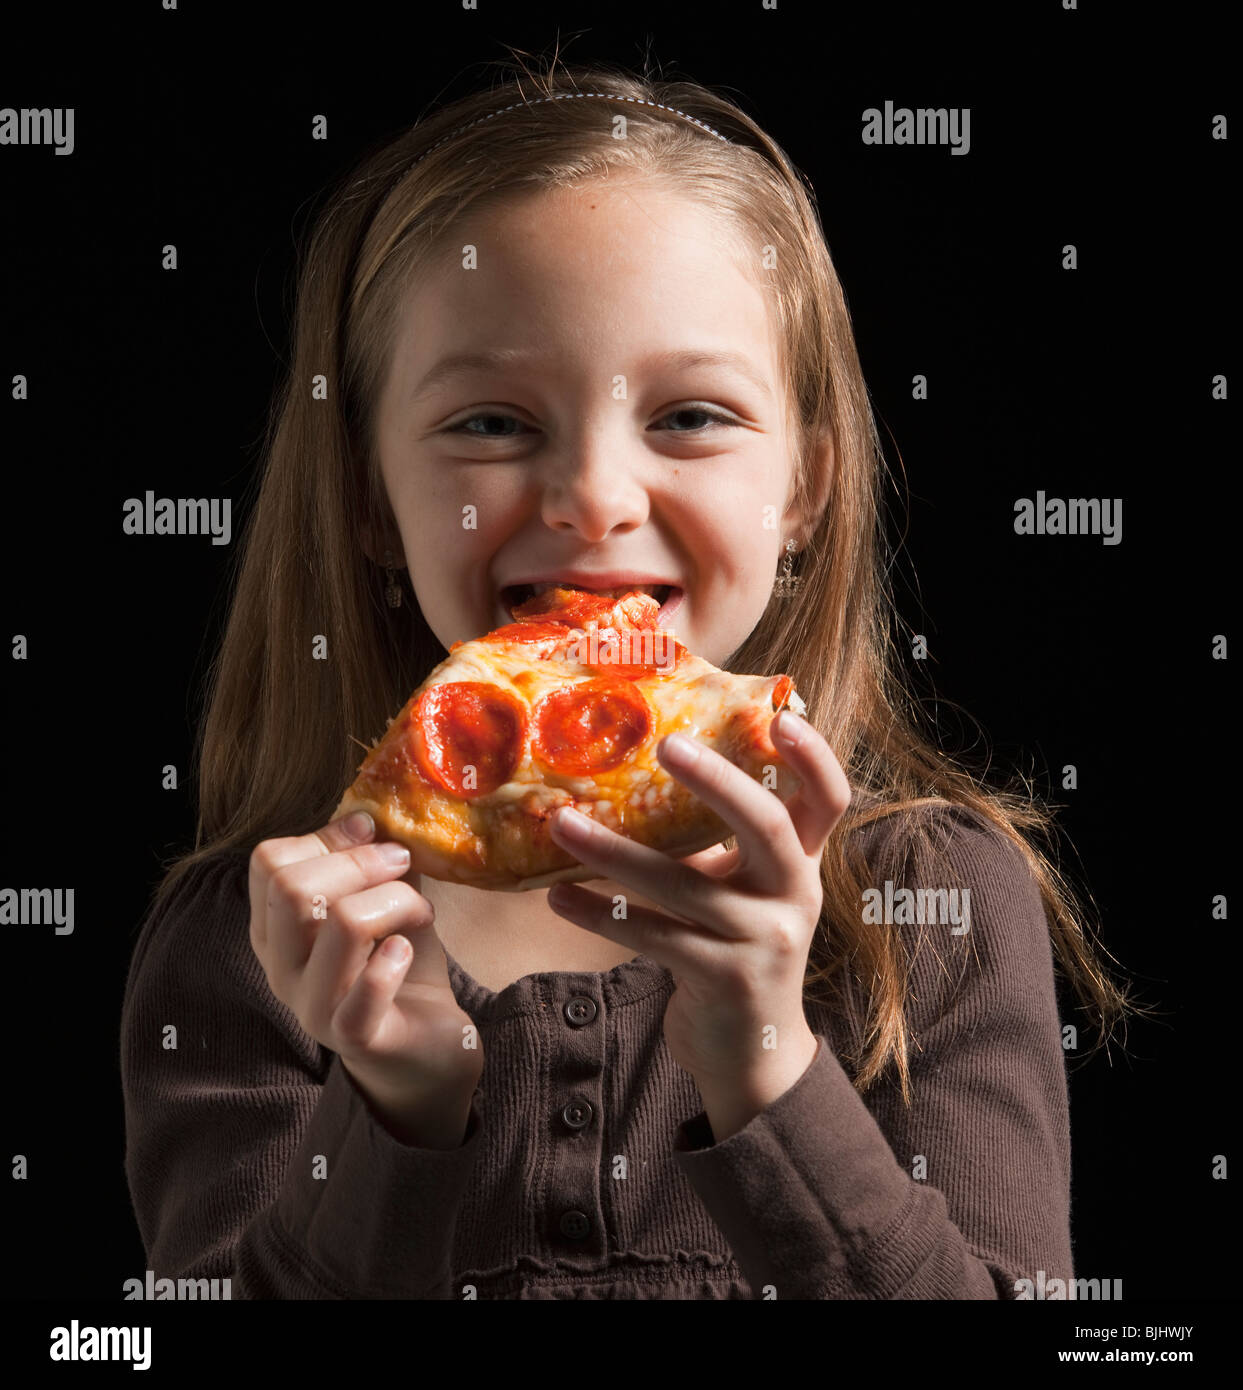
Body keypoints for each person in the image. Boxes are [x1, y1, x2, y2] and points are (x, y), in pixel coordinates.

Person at [120, 56, 1138, 1299]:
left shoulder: (932, 908)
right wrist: (394, 1110)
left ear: (804, 489)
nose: (595, 499)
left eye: (692, 416)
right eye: (491, 421)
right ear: (369, 501)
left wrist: (766, 1064)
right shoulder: (260, 938)